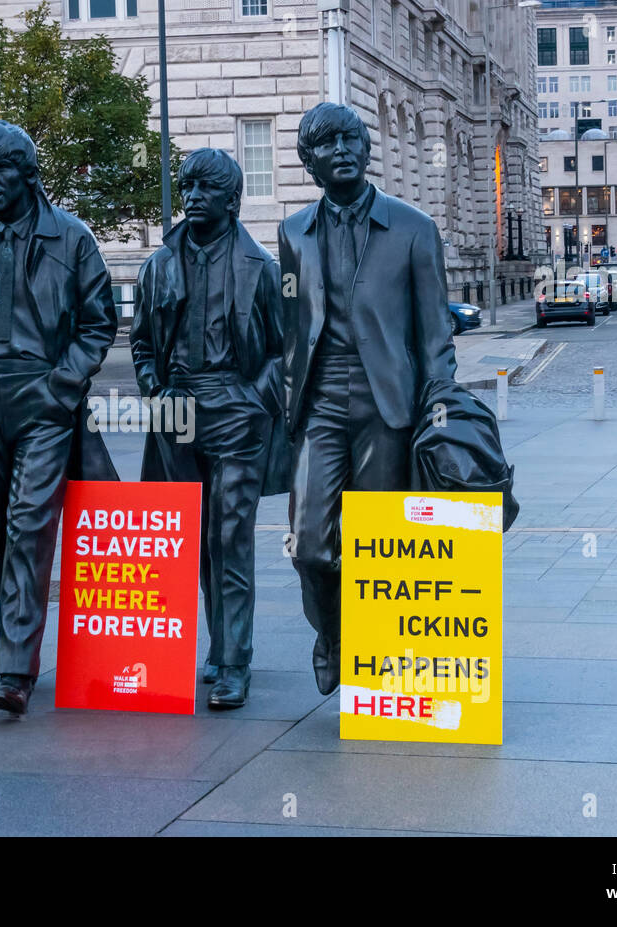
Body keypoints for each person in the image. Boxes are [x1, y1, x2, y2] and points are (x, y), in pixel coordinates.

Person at [0, 120, 118, 715]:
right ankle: (17, 643)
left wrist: (61, 384)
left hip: (44, 399)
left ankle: (14, 671)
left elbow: (98, 324)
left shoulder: (72, 239)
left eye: (0, 169)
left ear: (27, 172)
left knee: (30, 523)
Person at [278, 102, 458, 696]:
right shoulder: (293, 233)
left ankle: (381, 676)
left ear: (367, 147)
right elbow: (291, 327)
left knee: (376, 549)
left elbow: (435, 334)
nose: (343, 151)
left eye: (352, 139)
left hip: (390, 405)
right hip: (320, 403)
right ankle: (331, 635)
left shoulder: (413, 229)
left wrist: (439, 405)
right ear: (310, 163)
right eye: (327, 145)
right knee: (309, 544)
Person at [130, 148, 288, 710]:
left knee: (230, 538)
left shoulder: (262, 269)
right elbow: (142, 343)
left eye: (206, 188)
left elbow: (282, 352)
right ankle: (216, 650)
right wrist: (153, 387)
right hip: (175, 409)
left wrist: (252, 400)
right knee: (189, 541)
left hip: (235, 407)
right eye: (188, 186)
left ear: (232, 201)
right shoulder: (157, 265)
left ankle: (233, 661)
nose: (193, 196)